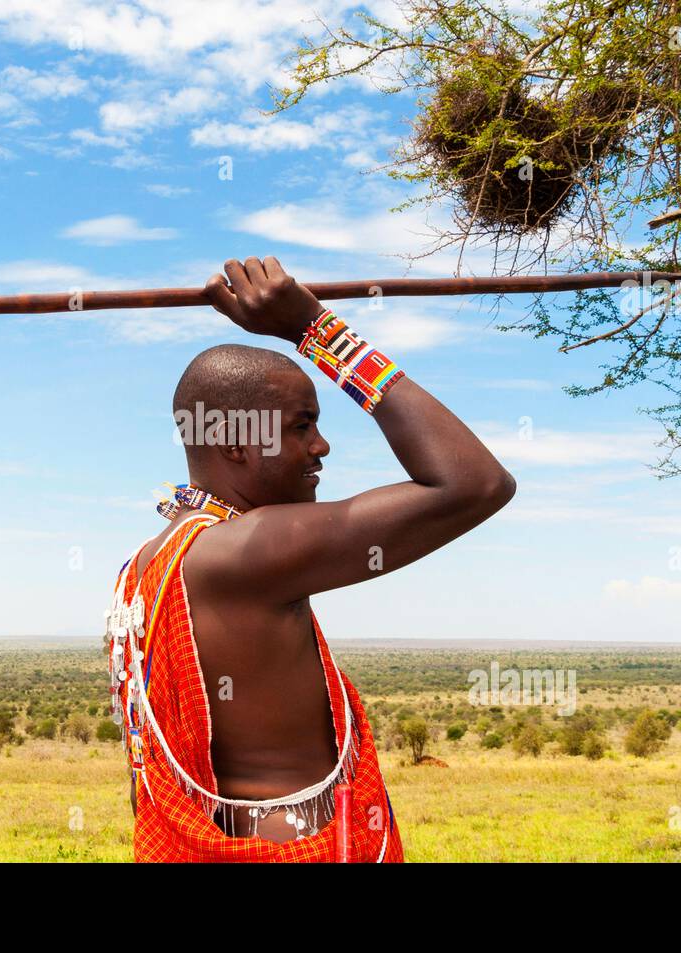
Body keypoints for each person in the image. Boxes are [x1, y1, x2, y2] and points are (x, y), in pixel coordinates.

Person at [104, 256, 516, 861]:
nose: (321, 446)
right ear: (237, 440)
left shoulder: (148, 564)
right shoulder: (244, 550)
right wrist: (315, 328)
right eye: (303, 425)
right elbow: (475, 484)